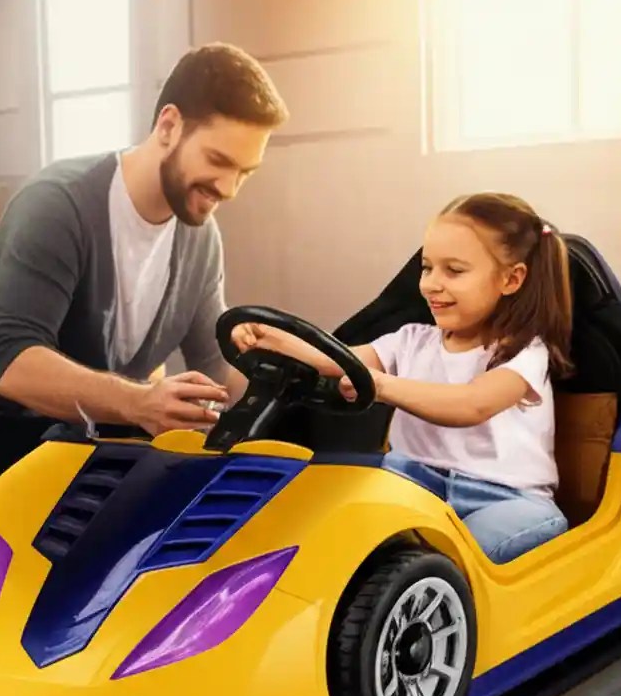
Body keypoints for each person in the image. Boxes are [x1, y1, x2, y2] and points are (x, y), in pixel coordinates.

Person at [0, 43, 288, 524]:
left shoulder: (200, 238)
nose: (229, 188)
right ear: (168, 126)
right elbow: (11, 362)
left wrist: (296, 390)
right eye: (218, 160)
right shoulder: (57, 204)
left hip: (98, 438)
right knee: (151, 496)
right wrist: (139, 402)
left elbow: (216, 369)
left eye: (245, 172)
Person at [233, 193, 574, 564]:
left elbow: (470, 405)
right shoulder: (411, 339)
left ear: (511, 279)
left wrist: (381, 385)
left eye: (454, 271)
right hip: (415, 482)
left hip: (507, 498)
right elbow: (333, 360)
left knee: (447, 556)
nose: (430, 284)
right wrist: (271, 337)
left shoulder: (524, 353)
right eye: (427, 268)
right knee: (334, 509)